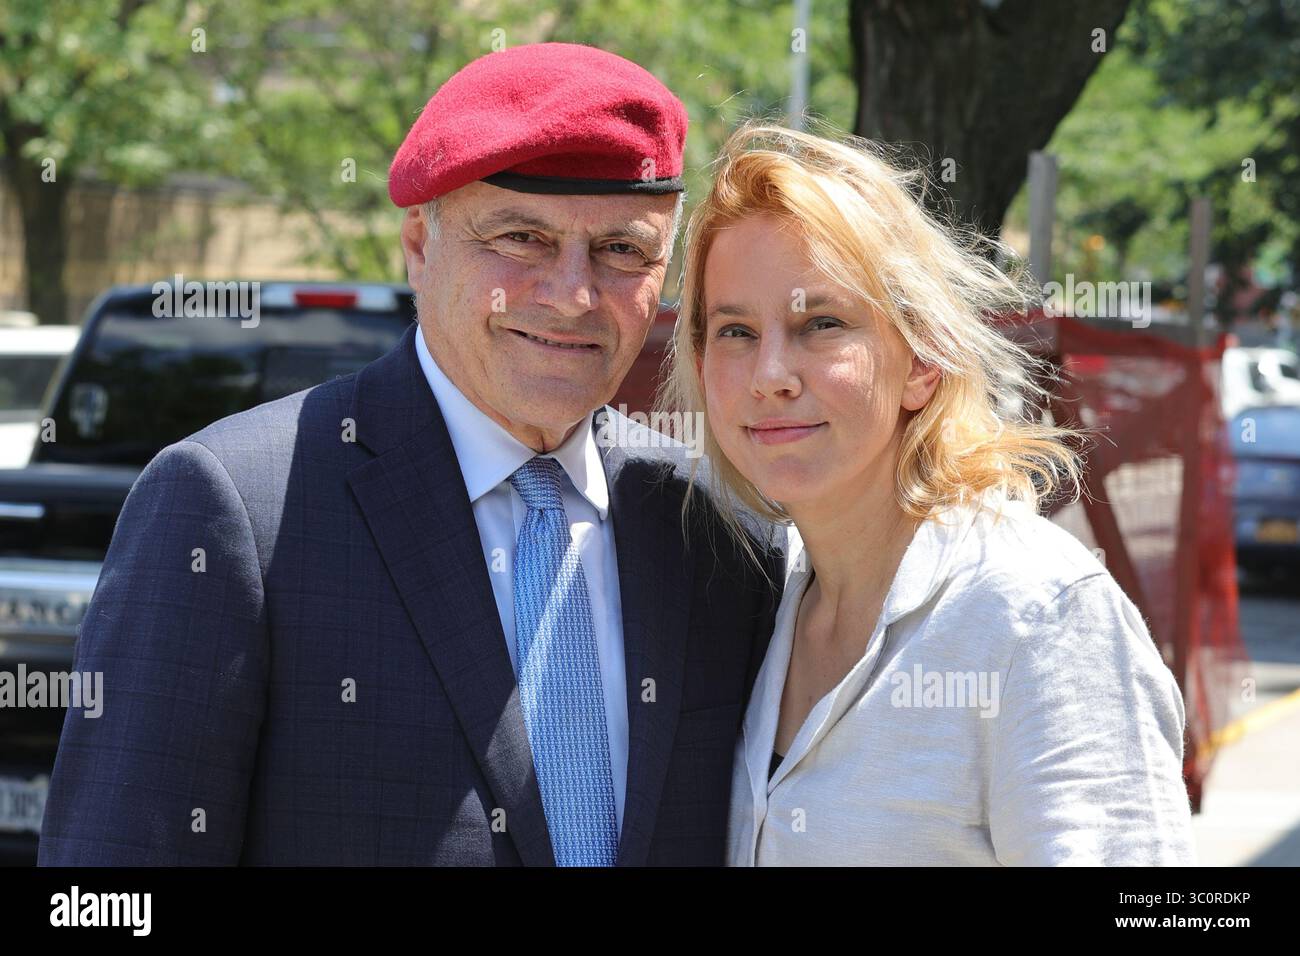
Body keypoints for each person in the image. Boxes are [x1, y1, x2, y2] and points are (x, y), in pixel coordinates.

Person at [38, 43, 783, 867]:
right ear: (420, 247)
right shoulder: (237, 512)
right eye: (522, 237)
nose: (573, 294)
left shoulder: (713, 521)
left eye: (621, 250)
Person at [657, 120, 1197, 865]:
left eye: (821, 323)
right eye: (735, 331)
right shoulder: (768, 597)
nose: (769, 375)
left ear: (923, 362)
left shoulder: (1038, 615)